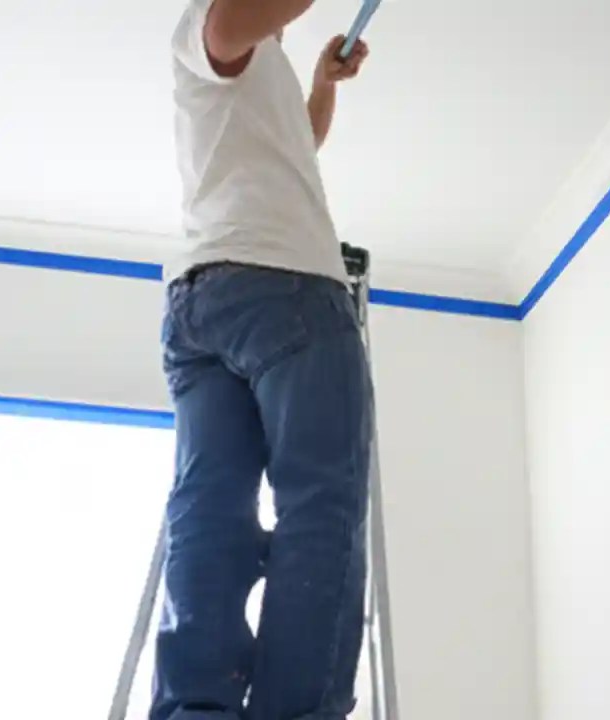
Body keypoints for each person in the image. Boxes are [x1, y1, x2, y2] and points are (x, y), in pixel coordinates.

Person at [152, 0, 373, 718]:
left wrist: (323, 87)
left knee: (212, 508)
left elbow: (296, 148)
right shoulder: (207, 28)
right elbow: (232, 21)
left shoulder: (253, 72)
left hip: (207, 308)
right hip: (285, 295)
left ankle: (196, 708)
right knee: (320, 503)